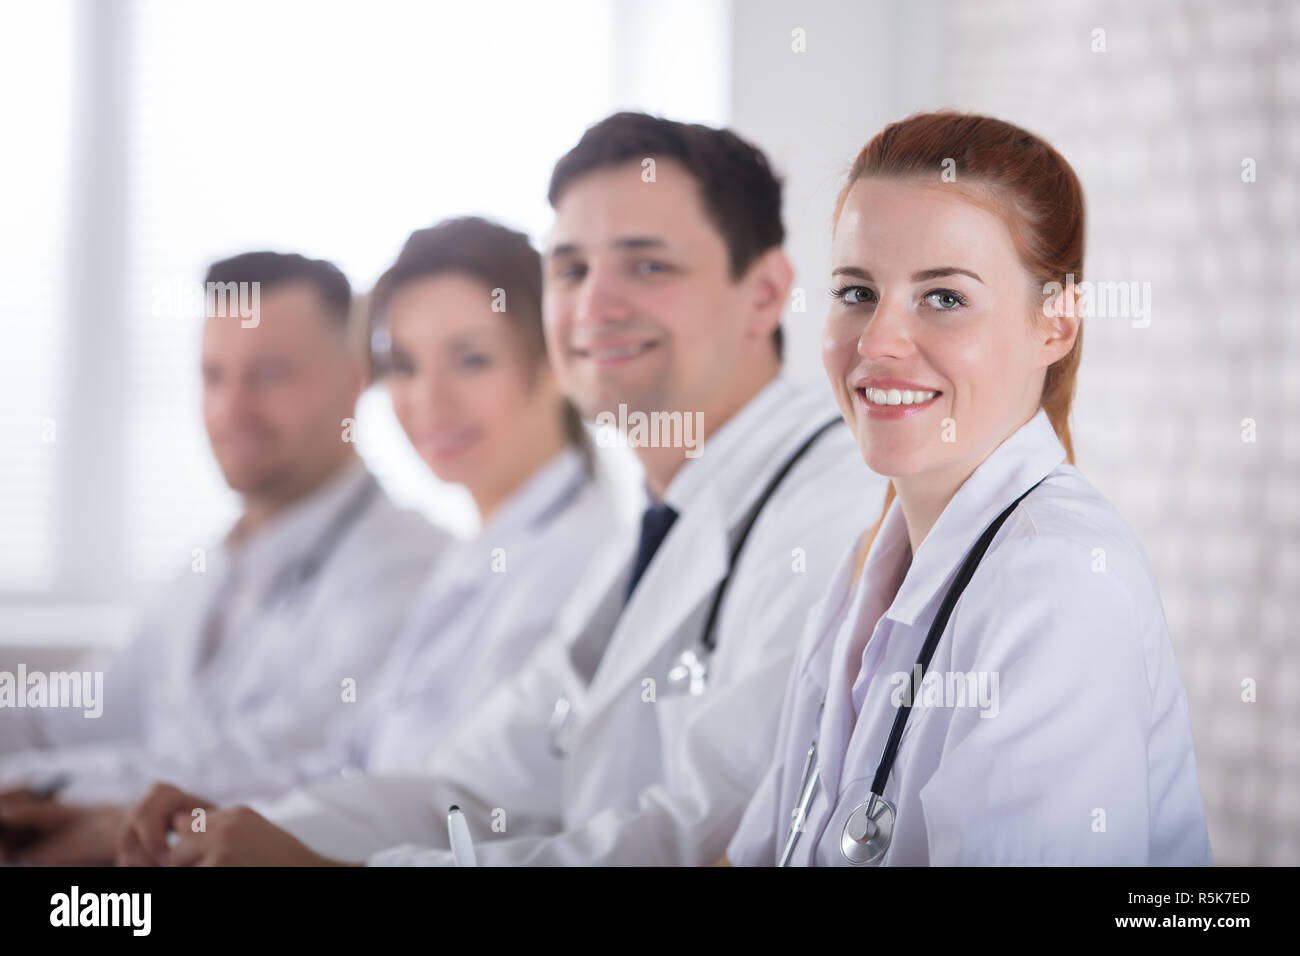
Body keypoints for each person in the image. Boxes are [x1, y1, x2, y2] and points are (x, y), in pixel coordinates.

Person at [117, 111, 886, 867]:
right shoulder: (647, 538)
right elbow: (474, 788)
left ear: (764, 294)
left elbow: (714, 840)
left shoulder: (832, 509)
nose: (594, 306)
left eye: (648, 265)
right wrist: (250, 829)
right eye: (572, 269)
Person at [727, 111, 1213, 866]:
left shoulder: (1055, 582)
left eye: (944, 297)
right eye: (857, 291)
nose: (878, 341)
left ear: (1055, 325)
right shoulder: (867, 570)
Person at [0, 252, 448, 863]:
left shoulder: (405, 565)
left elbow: (287, 759)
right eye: (214, 376)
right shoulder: (212, 565)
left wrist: (48, 790)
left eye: (269, 375)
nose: (231, 409)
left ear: (353, 383)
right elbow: (75, 711)